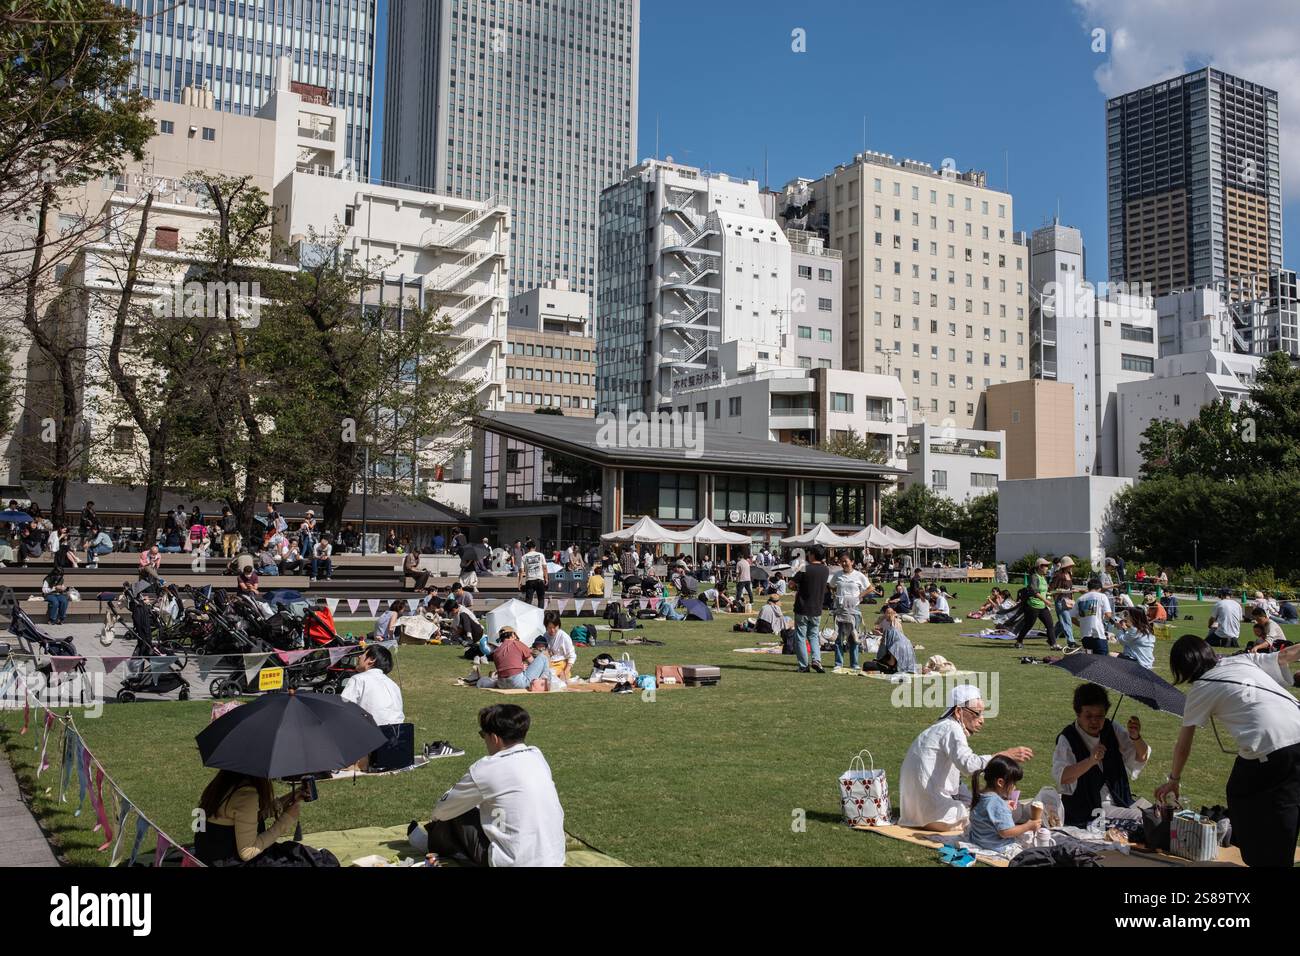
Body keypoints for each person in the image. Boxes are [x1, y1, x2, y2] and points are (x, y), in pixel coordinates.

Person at [1156, 636, 1300, 867]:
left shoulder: (1202, 687)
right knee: (1284, 797)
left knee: (1243, 794)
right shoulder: (1242, 659)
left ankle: (1265, 856)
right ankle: (1278, 852)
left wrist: (1174, 779)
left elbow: (1183, 744)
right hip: (1293, 730)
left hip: (1271, 744)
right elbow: (1285, 655)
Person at [408, 704, 565, 867]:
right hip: (554, 859)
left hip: (511, 862)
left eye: (483, 734)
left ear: (494, 738)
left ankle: (431, 844)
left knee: (456, 812)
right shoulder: (537, 756)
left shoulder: (486, 768)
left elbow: (442, 810)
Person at [898, 684, 1034, 830]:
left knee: (983, 803)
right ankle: (1030, 816)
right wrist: (1004, 755)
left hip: (913, 811)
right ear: (958, 711)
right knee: (991, 813)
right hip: (932, 813)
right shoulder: (952, 728)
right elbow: (969, 765)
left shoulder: (942, 728)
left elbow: (957, 781)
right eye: (977, 713)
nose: (982, 720)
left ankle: (1024, 813)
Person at [1052, 683, 1150, 827]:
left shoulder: (1112, 729)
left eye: (1099, 716)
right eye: (1089, 716)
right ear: (1078, 714)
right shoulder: (1067, 738)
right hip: (1089, 810)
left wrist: (1136, 738)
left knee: (1157, 814)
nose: (1094, 721)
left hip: (1120, 800)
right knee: (1144, 819)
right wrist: (1091, 761)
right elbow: (1064, 777)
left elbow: (1141, 757)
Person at [194, 771, 319, 867]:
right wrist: (286, 820)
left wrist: (292, 796)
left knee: (303, 855)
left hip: (209, 857)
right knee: (319, 861)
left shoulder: (224, 784)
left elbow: (251, 816)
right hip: (229, 861)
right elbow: (247, 852)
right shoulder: (246, 795)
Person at [341, 645, 408, 772]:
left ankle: (359, 762)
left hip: (370, 740)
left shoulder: (358, 679)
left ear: (371, 660)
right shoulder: (393, 685)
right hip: (395, 739)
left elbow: (343, 709)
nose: (359, 657)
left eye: (363, 654)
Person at [966, 755, 1041, 853]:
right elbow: (1006, 832)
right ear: (1000, 782)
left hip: (979, 840)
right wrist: (1028, 826)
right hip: (995, 845)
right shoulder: (997, 803)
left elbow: (988, 812)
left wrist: (1004, 805)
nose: (1014, 787)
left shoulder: (981, 795)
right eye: (1013, 783)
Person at [790, 545, 830, 674]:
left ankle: (803, 665)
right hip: (817, 607)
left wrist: (797, 588)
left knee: (801, 636)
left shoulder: (804, 568)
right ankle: (816, 660)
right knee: (813, 635)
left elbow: (791, 584)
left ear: (812, 554)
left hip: (802, 607)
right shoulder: (825, 570)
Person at [829, 554, 870, 670]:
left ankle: (854, 664)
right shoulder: (837, 575)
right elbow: (831, 586)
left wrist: (859, 596)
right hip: (840, 609)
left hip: (853, 610)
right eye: (841, 561)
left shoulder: (858, 575)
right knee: (839, 637)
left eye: (846, 561)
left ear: (852, 562)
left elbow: (870, 588)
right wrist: (835, 596)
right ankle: (838, 663)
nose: (843, 564)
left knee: (854, 637)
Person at [1014, 557, 1058, 650]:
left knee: (1050, 624)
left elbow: (1043, 591)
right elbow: (1035, 592)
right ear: (1040, 567)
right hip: (1033, 606)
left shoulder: (1043, 577)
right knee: (1028, 625)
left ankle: (1053, 644)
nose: (1047, 568)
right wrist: (1046, 601)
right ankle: (1019, 641)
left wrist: (1052, 593)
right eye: (1045, 566)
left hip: (1042, 606)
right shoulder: (1034, 577)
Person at [862, 606, 918, 674]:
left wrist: (881, 661)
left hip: (895, 668)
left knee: (866, 665)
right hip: (906, 666)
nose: (888, 615)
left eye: (890, 613)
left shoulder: (895, 644)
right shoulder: (904, 641)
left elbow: (891, 663)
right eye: (887, 613)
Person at [1072, 577, 1114, 656]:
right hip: (1098, 634)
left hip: (1085, 635)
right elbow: (1108, 614)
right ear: (1099, 588)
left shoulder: (1080, 599)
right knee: (1103, 659)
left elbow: (1072, 618)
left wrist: (1082, 625)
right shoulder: (1102, 596)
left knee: (1090, 660)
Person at [1050, 555, 1078, 650]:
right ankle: (1071, 642)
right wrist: (1059, 591)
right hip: (1060, 601)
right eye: (1070, 565)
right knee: (1067, 621)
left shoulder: (1069, 574)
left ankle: (1051, 637)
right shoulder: (1058, 575)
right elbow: (1051, 589)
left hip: (1068, 601)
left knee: (1062, 622)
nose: (1071, 567)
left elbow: (1070, 587)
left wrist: (1073, 590)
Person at [542, 610, 576, 680]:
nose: (552, 630)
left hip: (561, 664)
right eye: (549, 627)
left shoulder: (564, 637)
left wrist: (565, 672)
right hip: (548, 663)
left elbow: (572, 655)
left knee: (551, 678)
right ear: (546, 626)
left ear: (558, 625)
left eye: (554, 627)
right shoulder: (545, 635)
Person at [518, 539, 547, 607]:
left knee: (528, 600)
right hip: (539, 579)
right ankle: (540, 615)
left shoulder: (524, 557)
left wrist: (519, 582)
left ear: (527, 548)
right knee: (541, 599)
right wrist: (546, 578)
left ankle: (528, 615)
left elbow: (521, 571)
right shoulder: (541, 555)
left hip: (530, 580)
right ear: (535, 547)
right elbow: (545, 567)